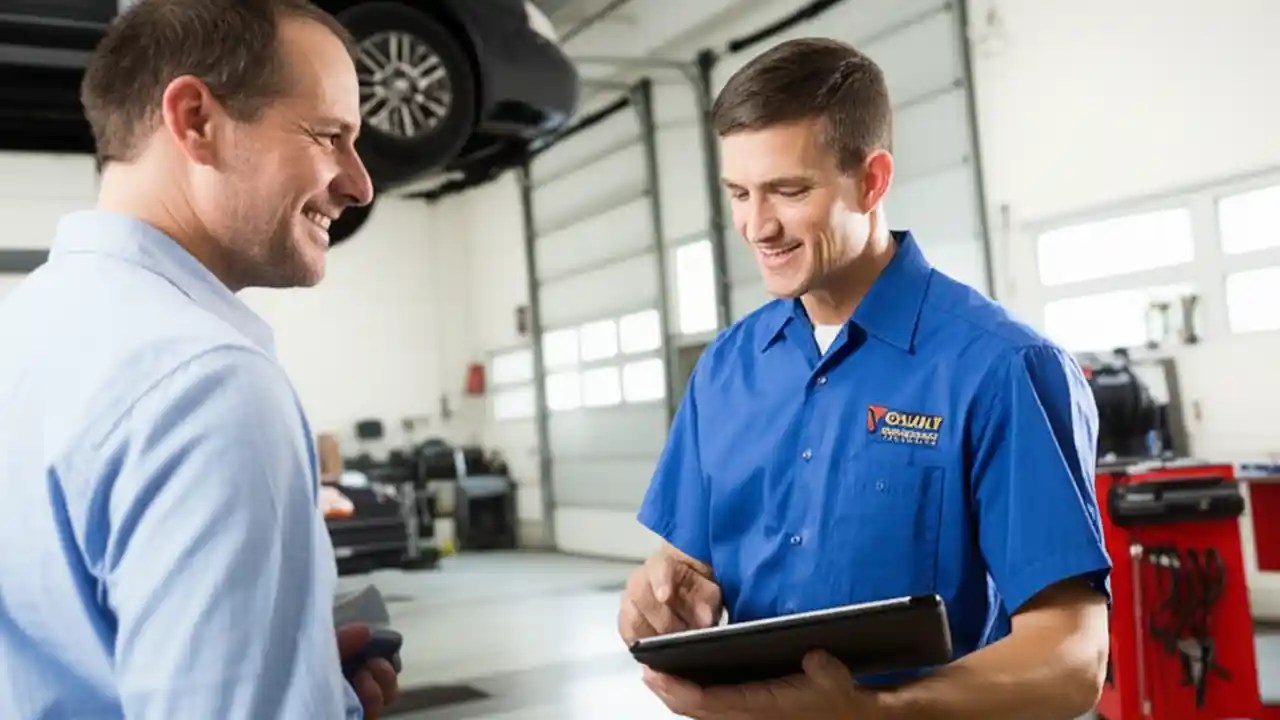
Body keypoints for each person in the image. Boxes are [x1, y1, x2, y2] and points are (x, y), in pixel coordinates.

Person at [619, 37, 1112, 719]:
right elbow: (687, 567)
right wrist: (663, 598)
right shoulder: (726, 369)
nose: (757, 226)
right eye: (739, 193)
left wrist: (879, 711)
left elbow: (1072, 658)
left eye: (789, 191)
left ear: (873, 181)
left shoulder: (1002, 369)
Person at [0, 1, 395, 718]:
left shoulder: (24, 331)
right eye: (330, 135)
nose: (359, 184)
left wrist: (299, 677)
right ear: (196, 121)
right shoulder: (210, 384)